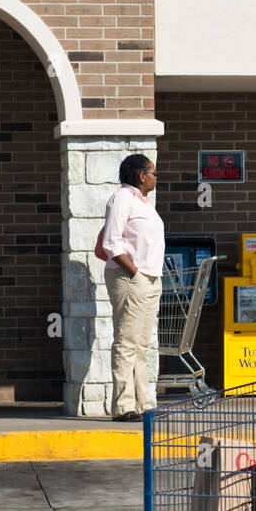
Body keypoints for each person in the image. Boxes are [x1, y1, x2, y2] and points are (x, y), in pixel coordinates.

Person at [100, 154, 165, 422]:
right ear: (141, 176)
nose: (155, 177)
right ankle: (124, 406)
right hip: (130, 280)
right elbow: (111, 243)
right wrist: (136, 273)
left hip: (150, 279)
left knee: (141, 344)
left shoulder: (144, 202)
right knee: (127, 343)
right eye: (154, 173)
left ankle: (142, 403)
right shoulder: (123, 199)